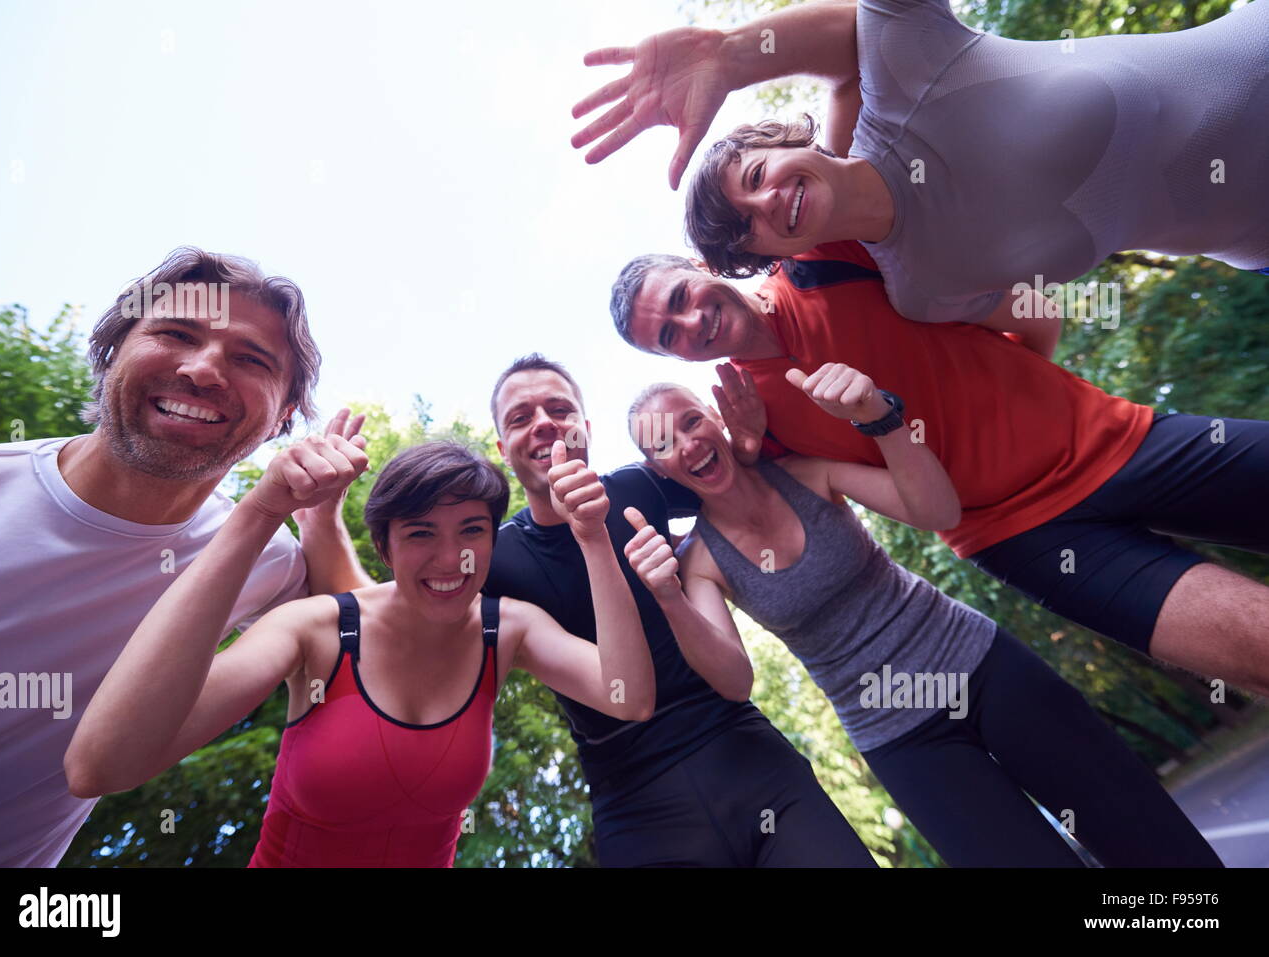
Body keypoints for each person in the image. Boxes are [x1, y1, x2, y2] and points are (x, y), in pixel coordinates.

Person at [607, 250, 1269, 700]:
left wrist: (1026, 385)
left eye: (680, 297)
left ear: (698, 264)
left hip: (1117, 437)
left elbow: (1024, 301)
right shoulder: (760, 426)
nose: (690, 323)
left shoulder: (820, 256)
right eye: (668, 335)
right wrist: (752, 449)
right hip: (1021, 535)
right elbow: (785, 491)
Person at [622, 374, 1221, 866]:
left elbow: (935, 507)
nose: (687, 443)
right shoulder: (699, 563)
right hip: (898, 736)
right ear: (660, 470)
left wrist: (879, 418)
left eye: (691, 421)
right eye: (664, 443)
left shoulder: (806, 472)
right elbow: (735, 682)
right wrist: (668, 596)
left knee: (1142, 832)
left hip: (981, 665)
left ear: (715, 417)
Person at [66, 439, 658, 868]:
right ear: (385, 545)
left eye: (472, 531)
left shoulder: (509, 630)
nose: (452, 559)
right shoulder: (316, 630)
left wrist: (593, 540)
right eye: (422, 533)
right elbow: (100, 766)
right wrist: (261, 510)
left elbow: (627, 699)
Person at [0, 247, 367, 868]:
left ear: (283, 417)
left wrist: (322, 521)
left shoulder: (267, 562)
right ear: (110, 356)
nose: (205, 370)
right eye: (176, 333)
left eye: (251, 360)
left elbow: (375, 650)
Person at [573, 0, 1269, 325]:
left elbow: (858, 30)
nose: (766, 201)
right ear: (778, 252)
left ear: (790, 141)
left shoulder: (908, 73)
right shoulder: (922, 294)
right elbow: (1036, 329)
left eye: (755, 176)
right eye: (749, 227)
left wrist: (729, 54)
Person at [481, 354, 877, 866]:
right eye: (520, 417)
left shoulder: (639, 487)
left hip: (743, 749)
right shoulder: (496, 557)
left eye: (559, 408)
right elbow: (406, 614)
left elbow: (725, 468)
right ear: (501, 449)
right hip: (633, 798)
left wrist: (752, 444)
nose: (543, 423)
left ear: (585, 427)